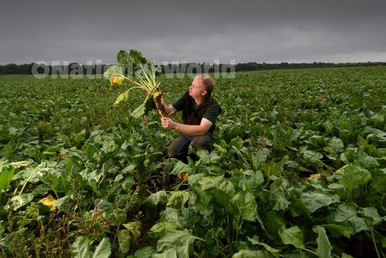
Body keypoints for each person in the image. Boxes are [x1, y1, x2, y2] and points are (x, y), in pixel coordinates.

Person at [161, 74, 221, 162]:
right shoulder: (187, 97)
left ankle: (201, 162)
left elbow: (202, 129)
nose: (190, 87)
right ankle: (186, 163)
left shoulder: (212, 106)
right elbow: (168, 111)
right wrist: (158, 99)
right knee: (172, 152)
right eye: (191, 84)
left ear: (203, 92)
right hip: (187, 133)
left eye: (194, 86)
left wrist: (174, 125)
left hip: (203, 135)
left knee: (199, 143)